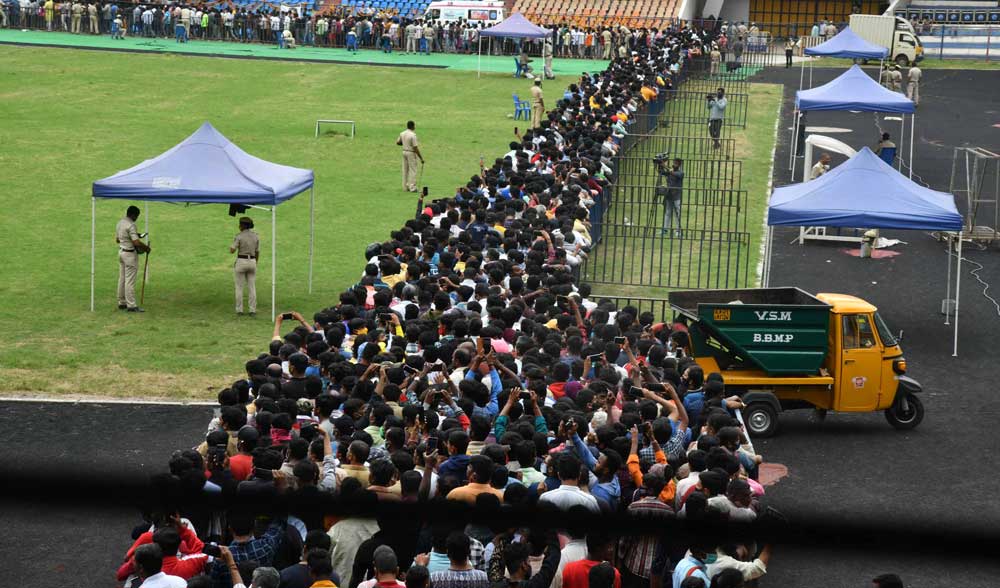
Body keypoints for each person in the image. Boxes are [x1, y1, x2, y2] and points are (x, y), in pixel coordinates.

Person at [115, 205, 150, 313]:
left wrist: (135, 235)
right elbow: (136, 242)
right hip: (129, 255)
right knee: (129, 281)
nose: (136, 218)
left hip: (121, 252)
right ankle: (131, 305)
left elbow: (117, 239)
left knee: (122, 279)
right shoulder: (131, 225)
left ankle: (122, 302)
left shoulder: (120, 223)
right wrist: (146, 248)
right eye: (137, 216)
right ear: (133, 215)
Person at [230, 216, 259, 316]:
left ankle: (239, 310)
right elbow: (257, 251)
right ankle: (252, 310)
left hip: (241, 261)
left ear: (242, 226)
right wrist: (255, 262)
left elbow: (232, 250)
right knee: (252, 287)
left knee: (239, 287)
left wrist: (234, 245)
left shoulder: (239, 236)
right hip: (252, 261)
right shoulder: (255, 236)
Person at [657, 157, 684, 237]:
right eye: (674, 162)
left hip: (676, 196)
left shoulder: (680, 173)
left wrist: (665, 166)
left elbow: (674, 174)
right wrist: (660, 165)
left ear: (679, 165)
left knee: (677, 214)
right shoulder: (670, 171)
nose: (674, 164)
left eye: (676, 163)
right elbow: (661, 172)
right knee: (668, 213)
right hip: (669, 195)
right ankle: (665, 229)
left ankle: (678, 231)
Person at [397, 120, 424, 193]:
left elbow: (398, 142)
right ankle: (412, 187)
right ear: (412, 126)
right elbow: (415, 147)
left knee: (405, 170)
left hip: (404, 151)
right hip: (411, 153)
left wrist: (405, 143)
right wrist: (421, 158)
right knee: (413, 170)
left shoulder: (402, 133)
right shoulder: (413, 135)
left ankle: (405, 187)